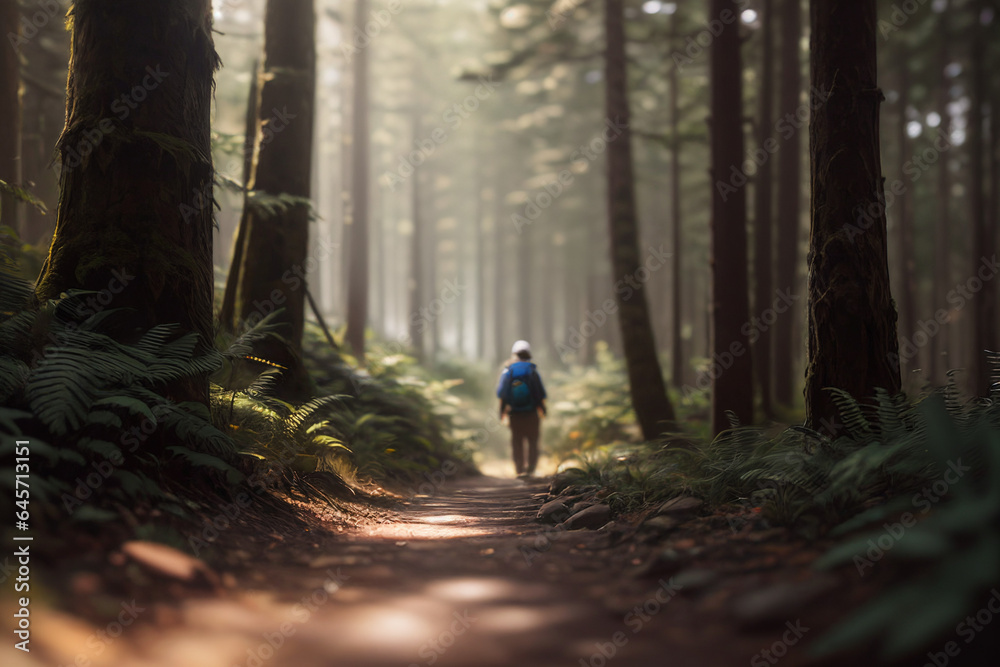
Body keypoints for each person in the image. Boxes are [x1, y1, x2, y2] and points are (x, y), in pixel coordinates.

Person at [496, 340, 547, 477]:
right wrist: (543, 409)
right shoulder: (532, 372)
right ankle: (531, 469)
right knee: (533, 441)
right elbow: (539, 394)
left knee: (516, 441)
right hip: (531, 413)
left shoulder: (508, 372)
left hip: (515, 414)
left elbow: (503, 395)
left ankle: (519, 469)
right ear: (529, 354)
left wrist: (501, 412)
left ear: (514, 354)